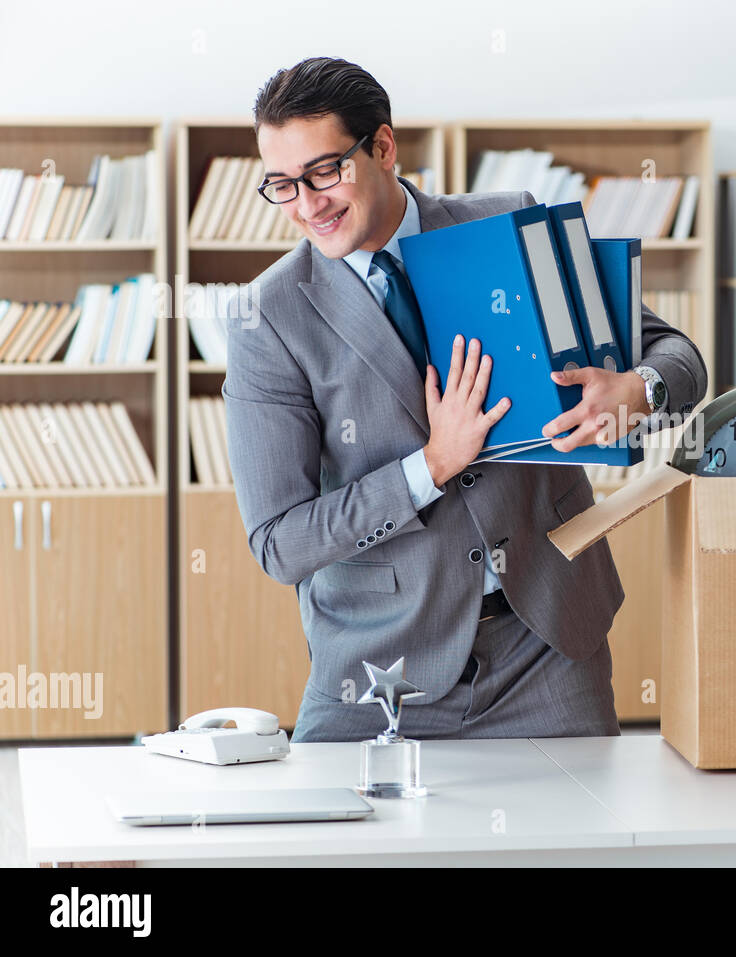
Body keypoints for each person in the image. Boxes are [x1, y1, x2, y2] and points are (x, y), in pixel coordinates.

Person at [222, 57, 706, 742]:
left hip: (547, 650)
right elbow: (279, 543)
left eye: (325, 171)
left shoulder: (510, 225)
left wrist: (638, 388)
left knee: (576, 850)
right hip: (377, 670)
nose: (307, 204)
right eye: (282, 184)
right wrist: (431, 465)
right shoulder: (267, 318)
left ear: (383, 147)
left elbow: (678, 355)